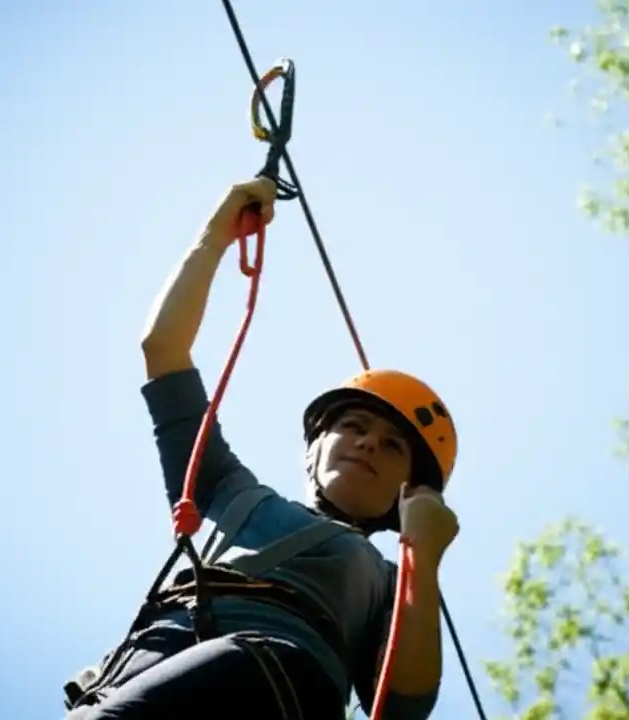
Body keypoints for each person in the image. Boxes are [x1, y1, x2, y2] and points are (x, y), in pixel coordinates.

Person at [64, 176, 460, 719]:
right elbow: (164, 350)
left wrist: (424, 559)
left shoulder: (387, 581)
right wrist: (216, 237)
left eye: (394, 447)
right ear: (311, 450)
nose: (369, 442)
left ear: (406, 497)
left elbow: (401, 707)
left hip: (274, 679)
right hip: (147, 664)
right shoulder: (233, 492)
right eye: (353, 425)